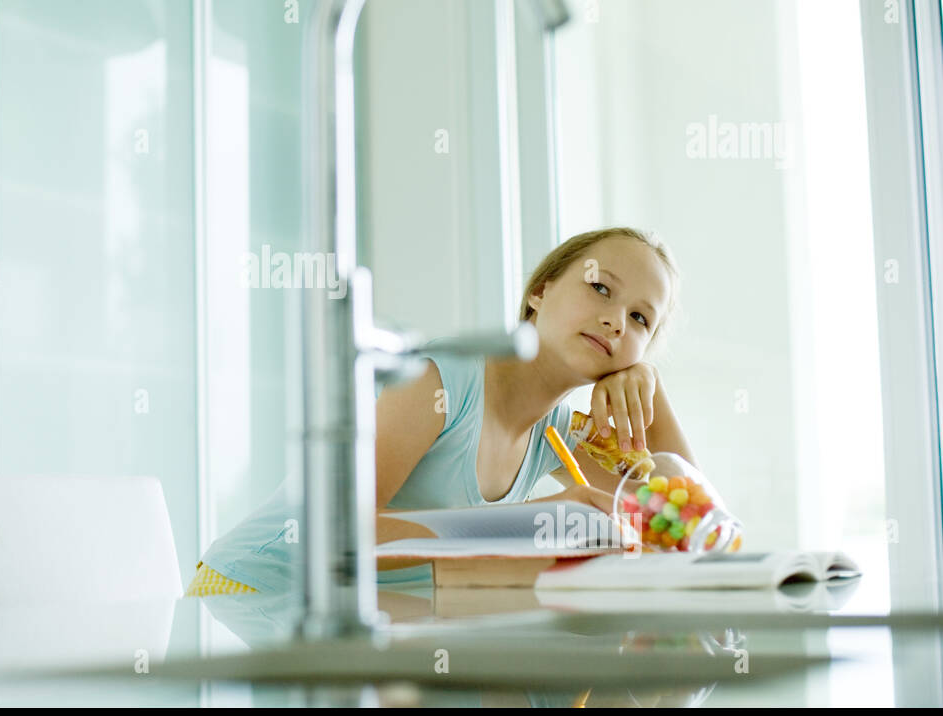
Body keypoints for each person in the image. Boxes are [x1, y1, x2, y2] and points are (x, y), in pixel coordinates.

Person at [185, 226, 700, 597]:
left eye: (639, 319)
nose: (614, 320)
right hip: (243, 595)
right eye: (600, 287)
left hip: (349, 614)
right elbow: (338, 535)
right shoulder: (439, 380)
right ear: (540, 292)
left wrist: (650, 391)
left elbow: (689, 523)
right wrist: (528, 523)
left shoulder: (560, 434)